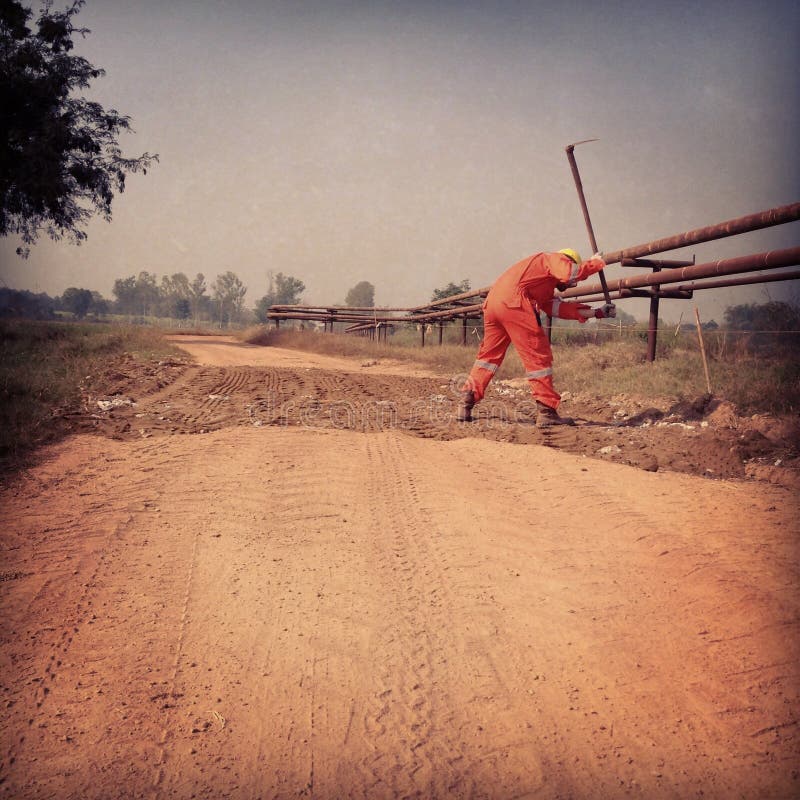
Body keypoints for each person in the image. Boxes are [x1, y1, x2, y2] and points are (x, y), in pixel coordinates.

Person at [457, 248, 616, 426]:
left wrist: (597, 312)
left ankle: (466, 400)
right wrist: (596, 263)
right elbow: (570, 273)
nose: (571, 284)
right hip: (514, 302)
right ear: (569, 260)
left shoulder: (542, 282)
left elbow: (558, 308)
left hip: (494, 304)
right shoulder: (552, 259)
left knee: (488, 358)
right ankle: (547, 411)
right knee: (538, 357)